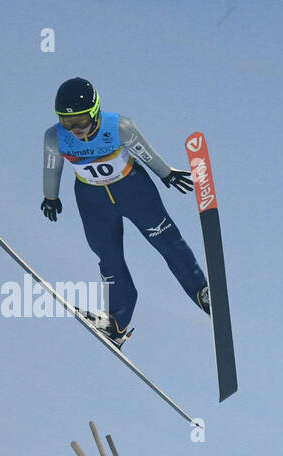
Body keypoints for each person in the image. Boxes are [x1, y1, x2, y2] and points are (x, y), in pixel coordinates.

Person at [40, 77, 210, 347]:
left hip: (133, 190)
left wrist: (166, 174)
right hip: (92, 201)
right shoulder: (54, 137)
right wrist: (51, 197)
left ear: (95, 112)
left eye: (82, 121)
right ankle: (116, 324)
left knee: (168, 243)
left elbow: (145, 152)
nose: (76, 130)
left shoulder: (119, 127)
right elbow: (52, 168)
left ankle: (202, 292)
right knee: (109, 262)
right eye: (67, 122)